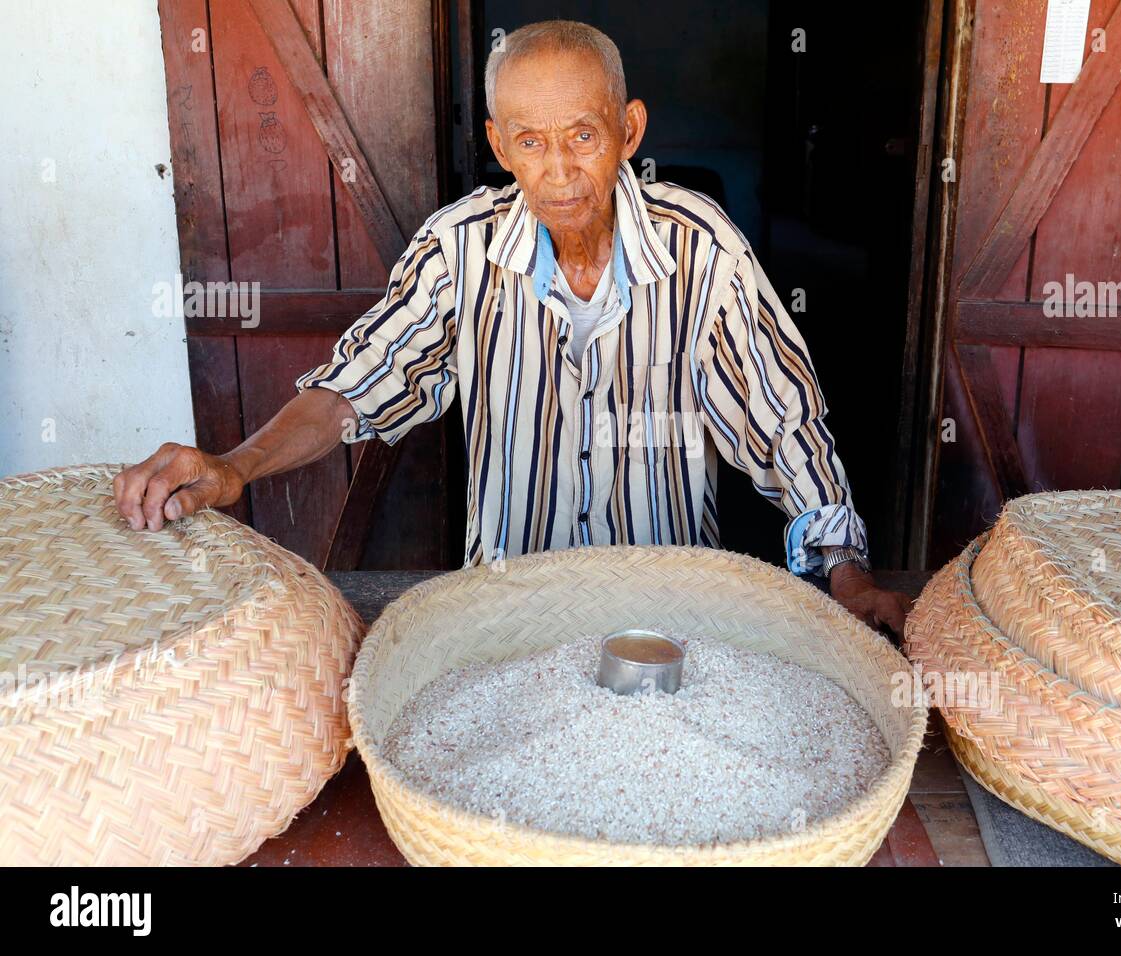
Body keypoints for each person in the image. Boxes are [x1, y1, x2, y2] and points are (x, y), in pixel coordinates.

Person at [114, 20, 912, 635]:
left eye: (583, 137)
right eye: (530, 142)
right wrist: (235, 466)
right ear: (499, 144)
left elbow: (782, 420)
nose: (559, 171)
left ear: (629, 131)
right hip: (505, 615)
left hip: (670, 611)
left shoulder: (700, 247)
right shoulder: (459, 248)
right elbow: (351, 391)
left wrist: (845, 570)